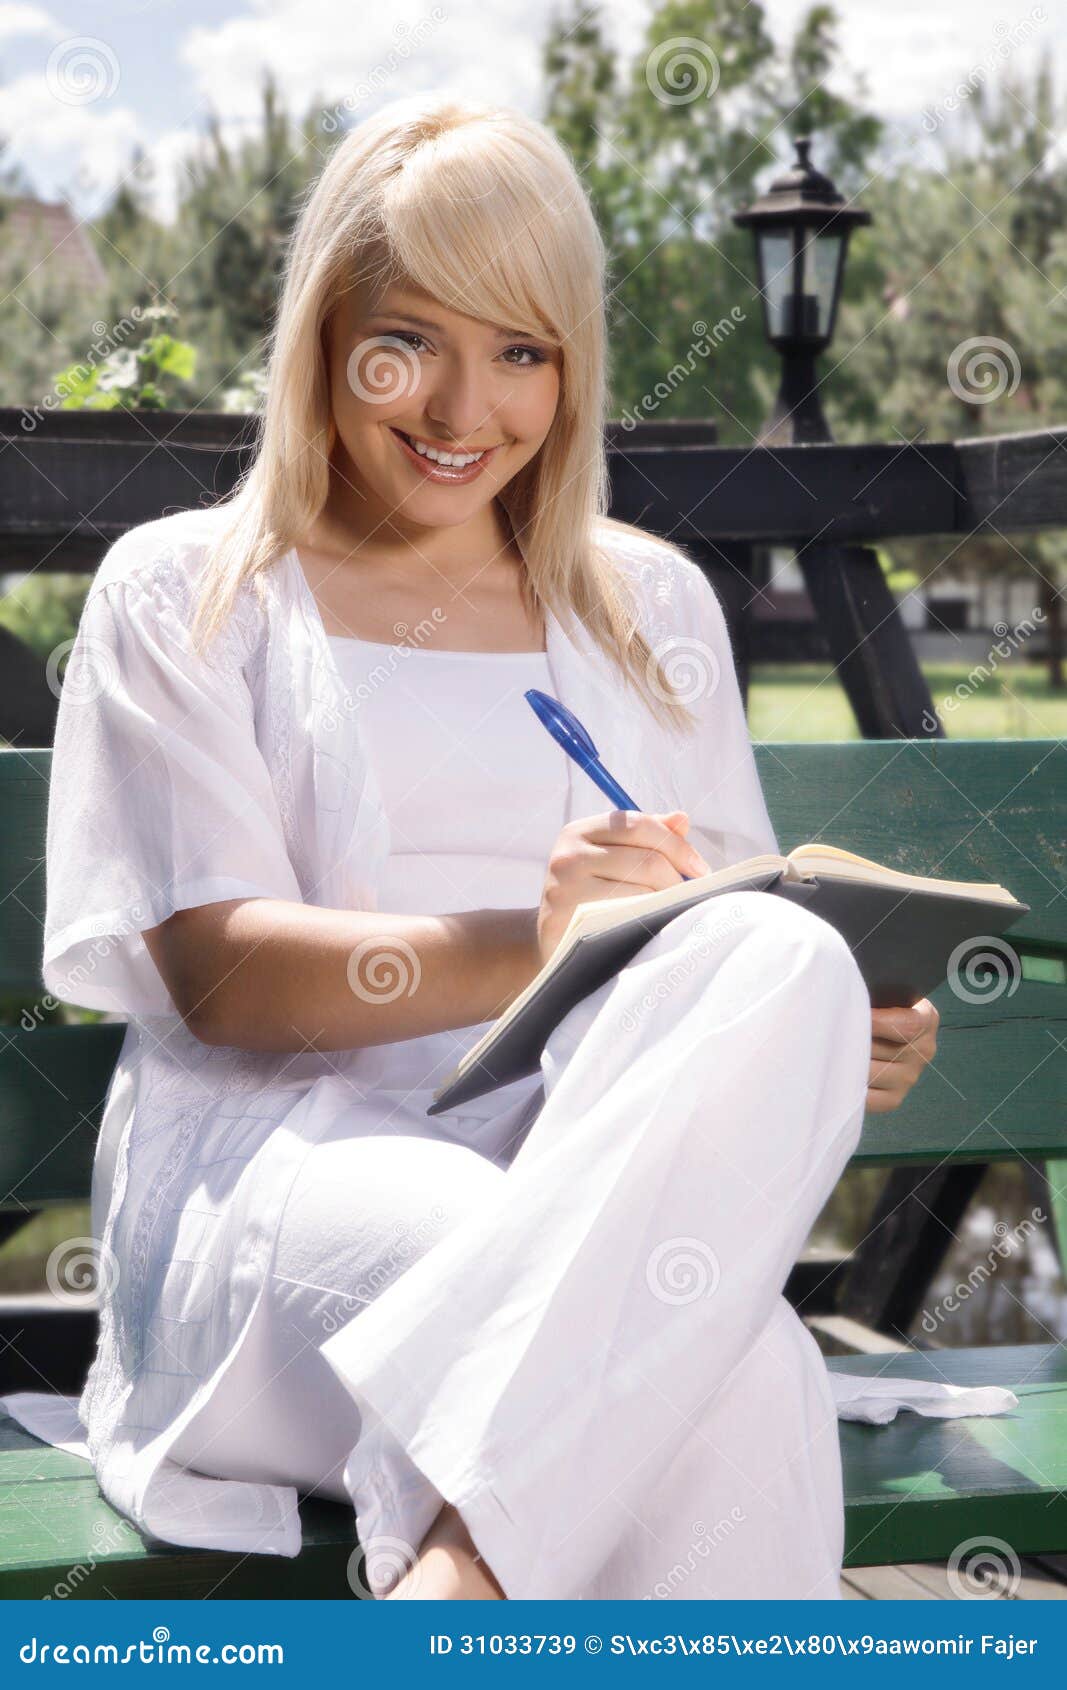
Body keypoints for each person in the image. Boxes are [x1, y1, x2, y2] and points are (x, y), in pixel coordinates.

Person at [2, 93, 944, 1601]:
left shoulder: (651, 608)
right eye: (408, 344)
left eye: (520, 351)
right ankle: (469, 1569)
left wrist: (840, 1026)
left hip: (596, 1168)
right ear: (325, 333)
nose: (461, 412)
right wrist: (538, 941)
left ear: (572, 367)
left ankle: (463, 1576)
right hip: (277, 1174)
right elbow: (224, 981)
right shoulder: (186, 592)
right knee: (741, 1367)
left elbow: (743, 937)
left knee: (777, 978)